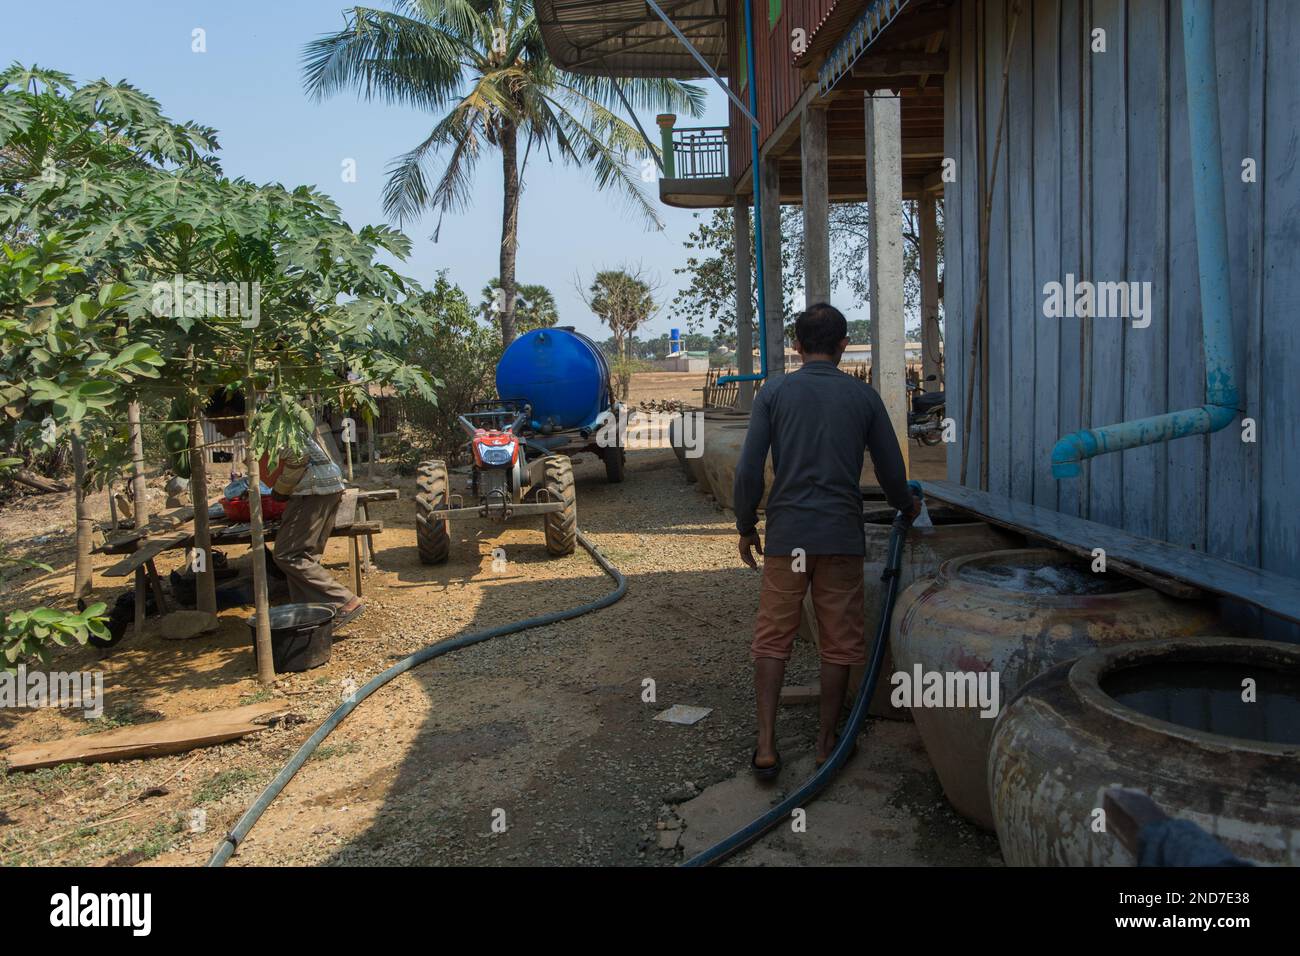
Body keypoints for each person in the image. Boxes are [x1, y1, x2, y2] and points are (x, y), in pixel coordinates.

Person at [733, 303, 920, 779]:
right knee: (839, 643)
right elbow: (892, 471)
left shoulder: (773, 393)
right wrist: (907, 506)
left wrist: (745, 524)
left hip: (788, 538)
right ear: (842, 346)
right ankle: (825, 742)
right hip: (840, 536)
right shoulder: (864, 397)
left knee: (773, 638)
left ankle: (767, 745)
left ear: (797, 346)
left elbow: (749, 468)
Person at [206, 391, 365, 628]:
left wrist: (280, 490)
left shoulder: (265, 425)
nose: (217, 430)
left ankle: (344, 601)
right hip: (326, 485)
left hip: (312, 489)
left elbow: (297, 458)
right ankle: (309, 615)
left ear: (228, 414)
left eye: (215, 422)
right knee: (304, 556)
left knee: (288, 554)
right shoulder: (266, 422)